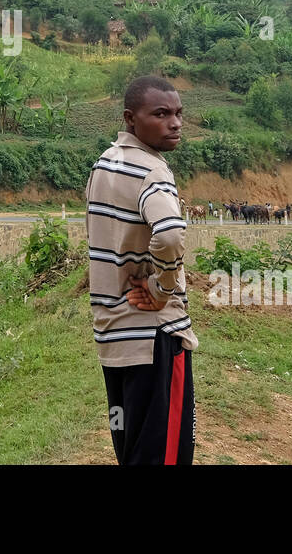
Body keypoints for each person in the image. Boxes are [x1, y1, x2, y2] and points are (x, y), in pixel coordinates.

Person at [86, 75, 197, 466]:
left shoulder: (104, 165)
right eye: (161, 114)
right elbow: (169, 234)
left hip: (114, 337)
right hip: (155, 337)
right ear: (131, 118)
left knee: (134, 452)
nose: (175, 123)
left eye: (179, 113)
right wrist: (162, 287)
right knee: (164, 457)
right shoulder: (152, 171)